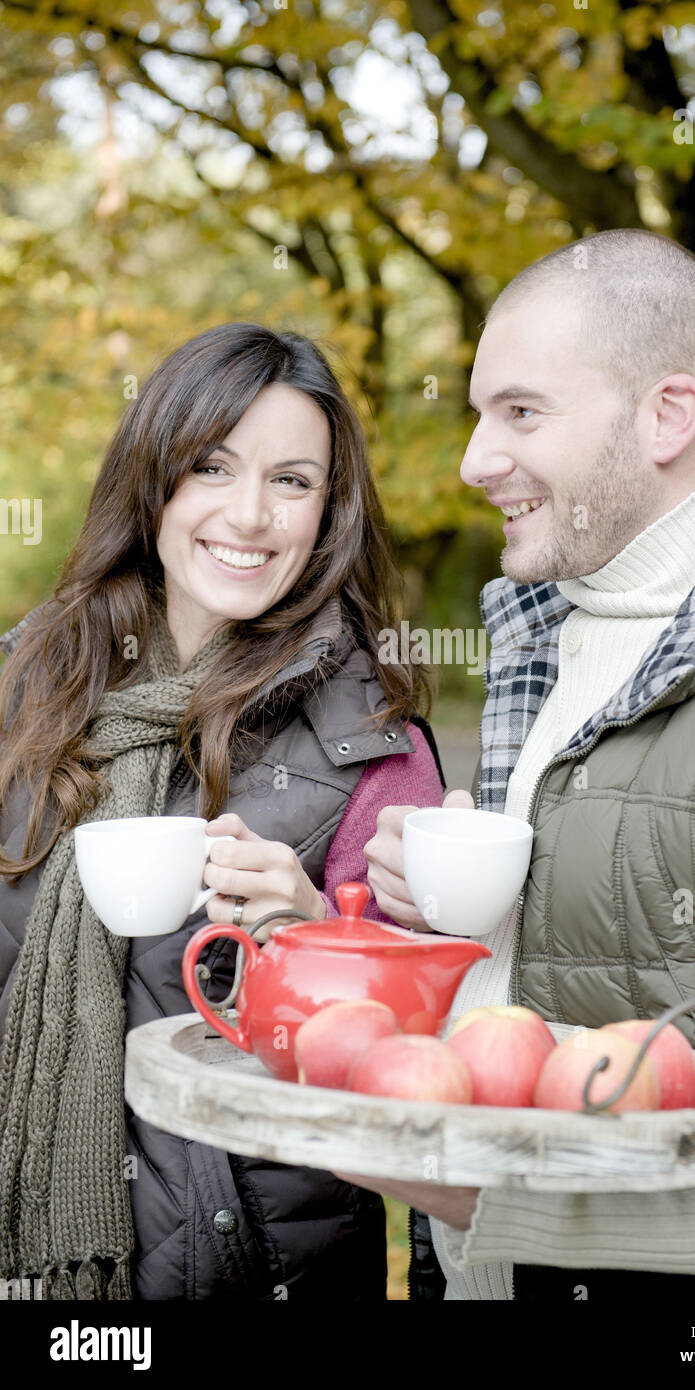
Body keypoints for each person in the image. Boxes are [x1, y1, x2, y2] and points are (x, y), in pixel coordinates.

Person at [355, 229, 695, 1300]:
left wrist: (496, 1201)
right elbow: (585, 963)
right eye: (476, 412)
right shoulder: (558, 636)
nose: (473, 460)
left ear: (669, 415)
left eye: (522, 412)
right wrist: (466, 915)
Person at [0, 322, 444, 1300]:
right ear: (153, 479)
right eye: (212, 466)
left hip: (256, 1276)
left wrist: (313, 936)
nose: (249, 515)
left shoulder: (372, 739)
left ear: (326, 513)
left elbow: (430, 1068)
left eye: (291, 480)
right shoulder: (25, 689)